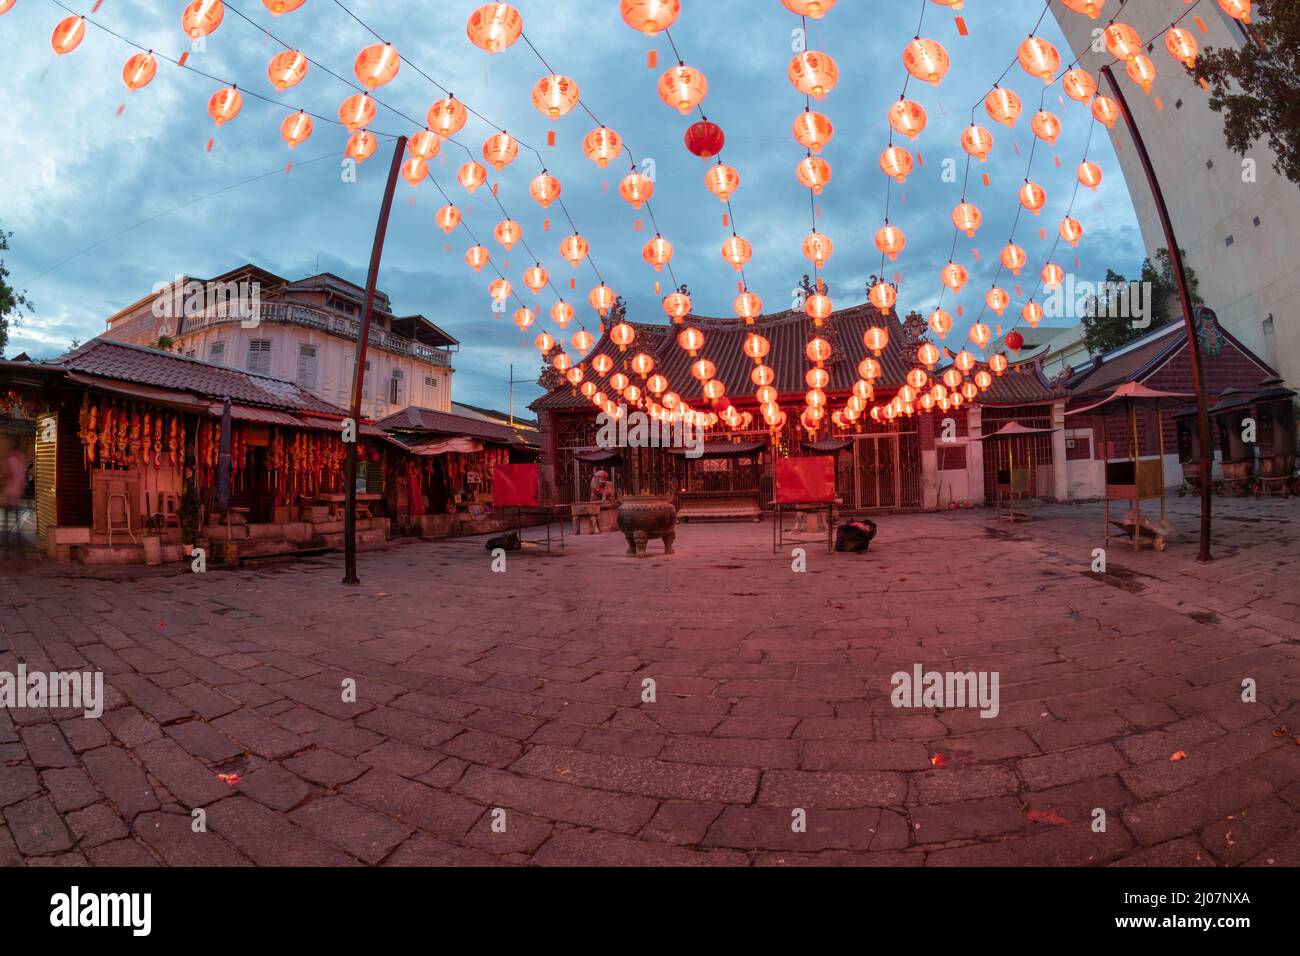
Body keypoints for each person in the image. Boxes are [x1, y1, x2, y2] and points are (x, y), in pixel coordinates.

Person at [1, 438, 26, 556]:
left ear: (12, 451)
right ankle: (20, 548)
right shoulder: (20, 464)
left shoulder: (8, 462)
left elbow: (5, 476)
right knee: (17, 523)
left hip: (8, 495)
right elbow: (23, 482)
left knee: (6, 524)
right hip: (16, 496)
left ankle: (7, 550)